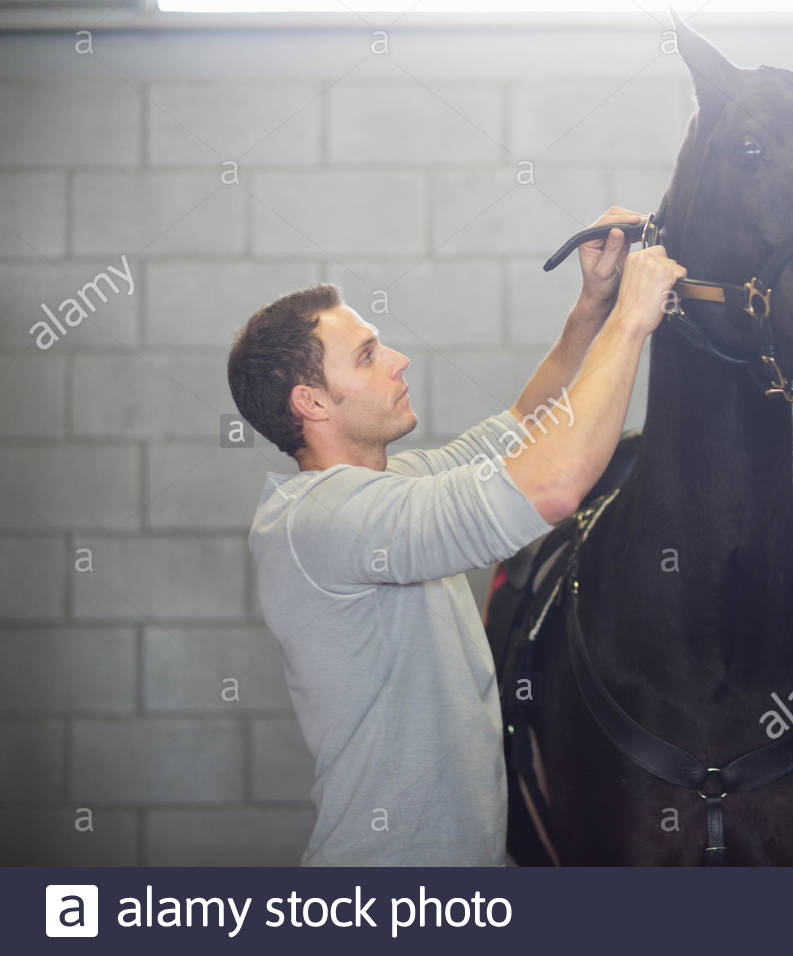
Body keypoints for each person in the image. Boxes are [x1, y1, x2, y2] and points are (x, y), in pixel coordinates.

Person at [225, 208, 686, 865]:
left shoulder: (386, 487)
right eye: (367, 356)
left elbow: (528, 424)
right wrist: (632, 322)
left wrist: (594, 305)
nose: (397, 360)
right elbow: (550, 488)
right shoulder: (320, 523)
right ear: (312, 403)